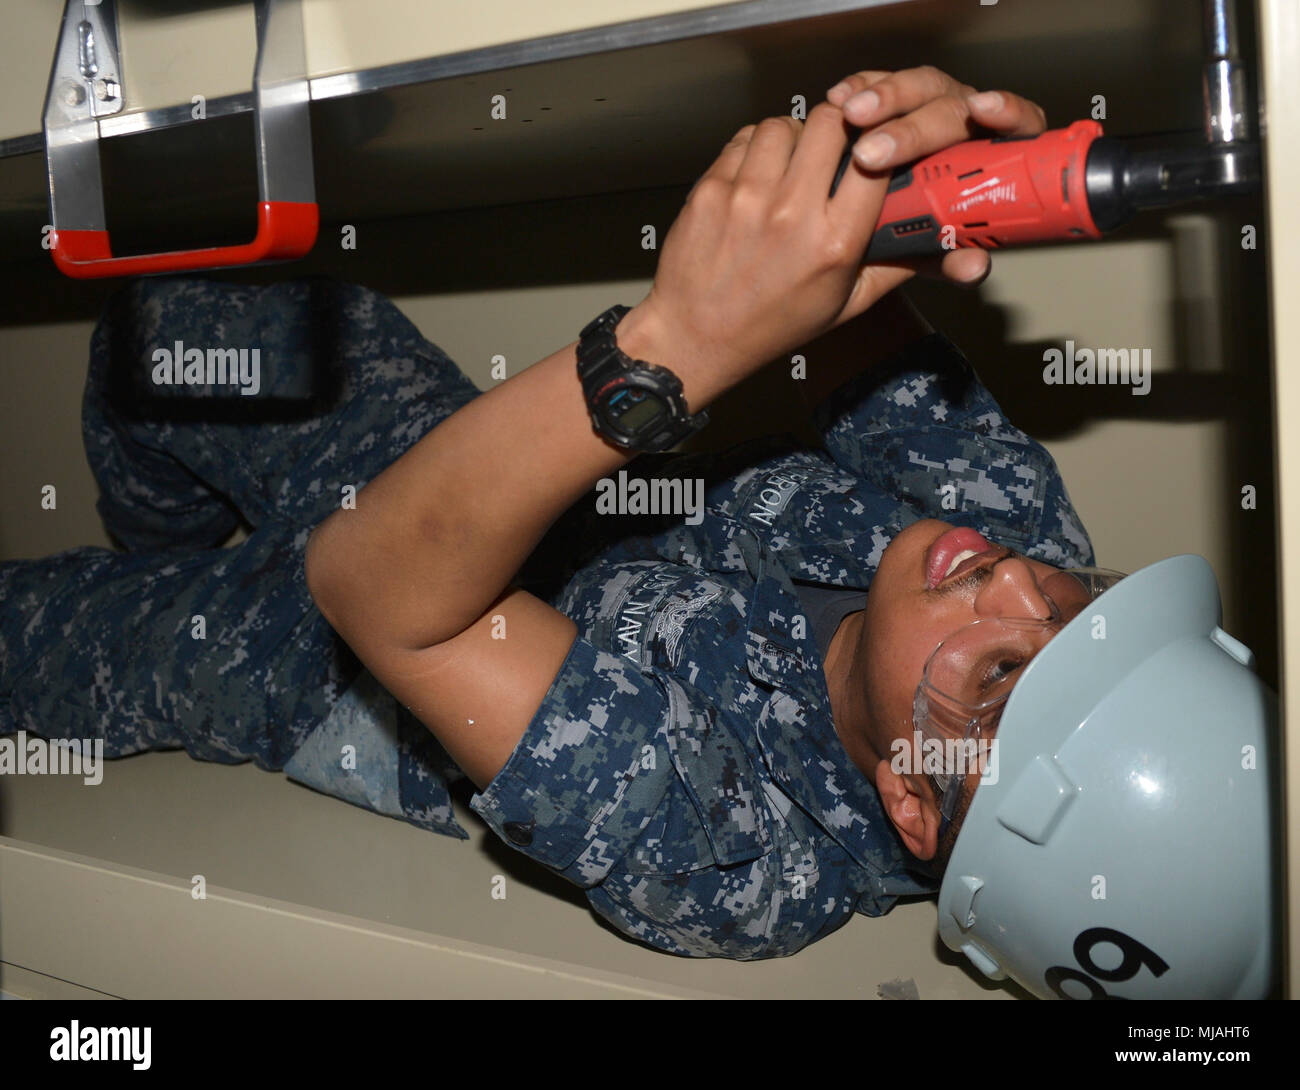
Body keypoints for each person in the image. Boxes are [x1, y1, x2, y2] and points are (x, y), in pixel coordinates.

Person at [0, 68, 1275, 993]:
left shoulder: (731, 862)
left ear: (910, 801)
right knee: (171, 322)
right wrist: (878, 171)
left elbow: (380, 593)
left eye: (1002, 675)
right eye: (1077, 606)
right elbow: (849, 313)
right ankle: (155, 542)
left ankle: (148, 594)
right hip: (506, 479)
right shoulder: (1013, 535)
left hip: (354, 654)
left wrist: (661, 357)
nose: (1011, 587)